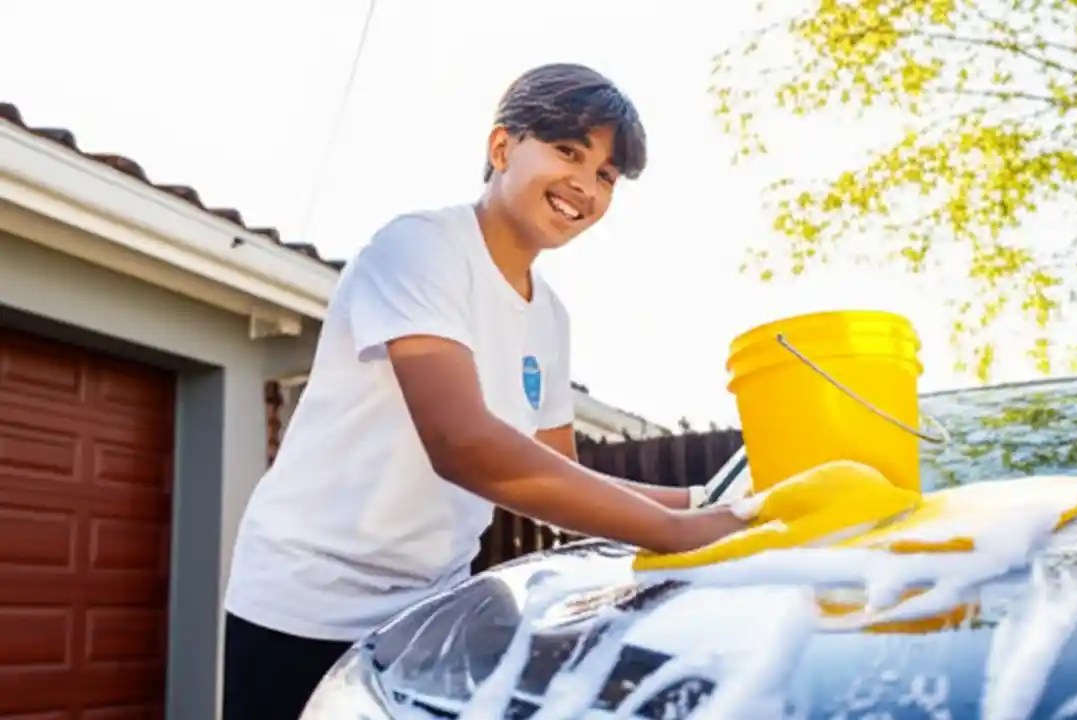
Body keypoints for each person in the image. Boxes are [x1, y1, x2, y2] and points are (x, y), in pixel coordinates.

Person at [220, 62, 747, 720]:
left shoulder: (550, 316)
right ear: (502, 148)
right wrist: (678, 529)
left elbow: (562, 479)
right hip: (307, 603)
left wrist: (716, 504)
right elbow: (462, 443)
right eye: (567, 151)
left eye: (606, 176)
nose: (585, 185)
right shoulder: (419, 249)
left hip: (431, 607)